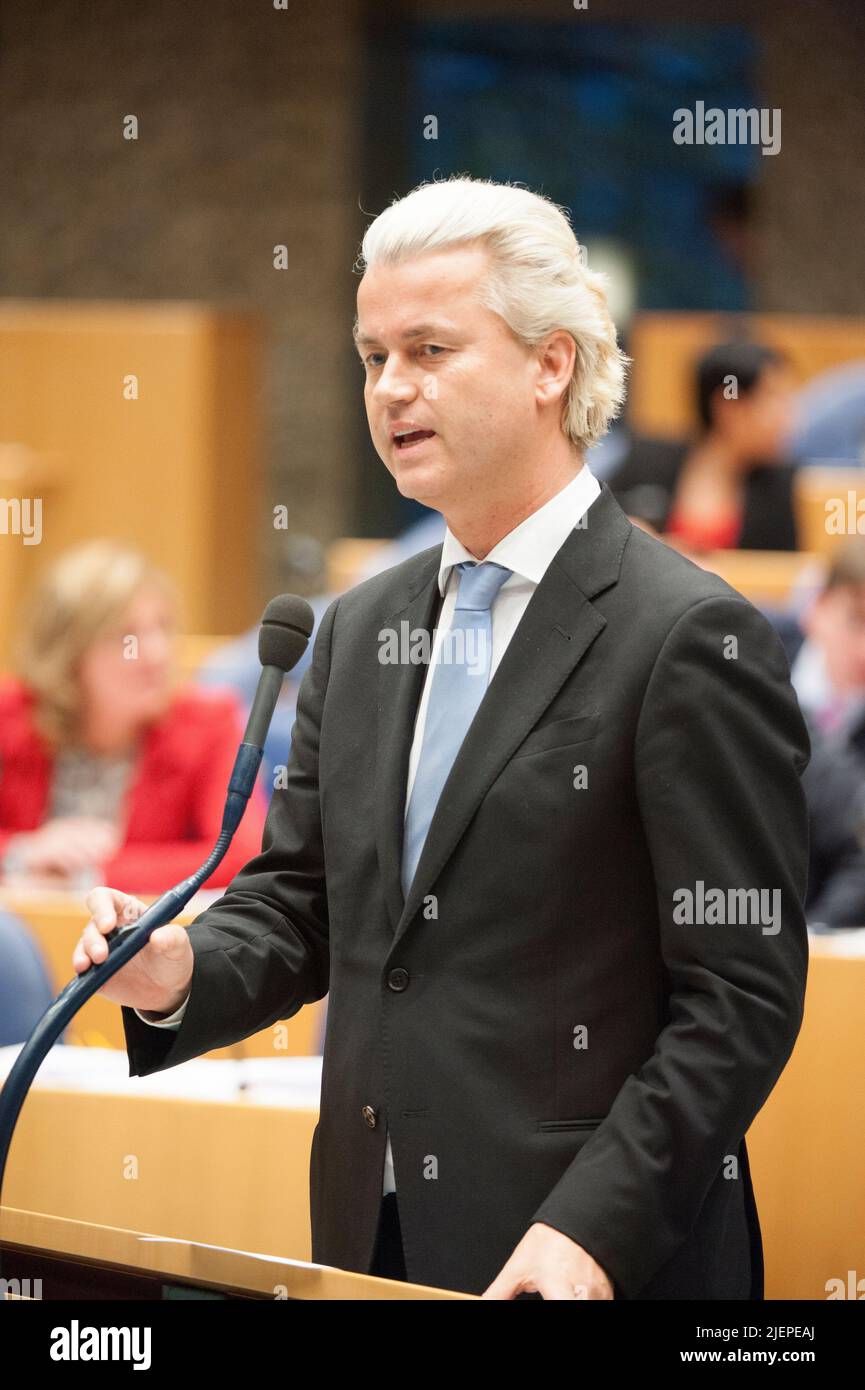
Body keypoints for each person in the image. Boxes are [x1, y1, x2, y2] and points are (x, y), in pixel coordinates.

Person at [74, 176, 810, 1300]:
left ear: (548, 365)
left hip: (589, 1256)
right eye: (372, 357)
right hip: (374, 1236)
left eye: (429, 348)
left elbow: (739, 994)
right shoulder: (363, 622)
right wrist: (182, 969)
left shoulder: (684, 633)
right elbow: (305, 902)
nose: (391, 389)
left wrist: (593, 1231)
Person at [0, 540, 266, 893]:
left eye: (161, 628)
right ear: (67, 653)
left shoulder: (209, 723)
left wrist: (89, 875)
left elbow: (242, 856)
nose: (156, 653)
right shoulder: (11, 714)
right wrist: (22, 853)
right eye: (126, 636)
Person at [611, 341, 799, 551]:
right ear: (728, 406)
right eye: (776, 398)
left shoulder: (782, 489)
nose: (788, 417)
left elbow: (784, 570)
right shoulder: (647, 462)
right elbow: (598, 527)